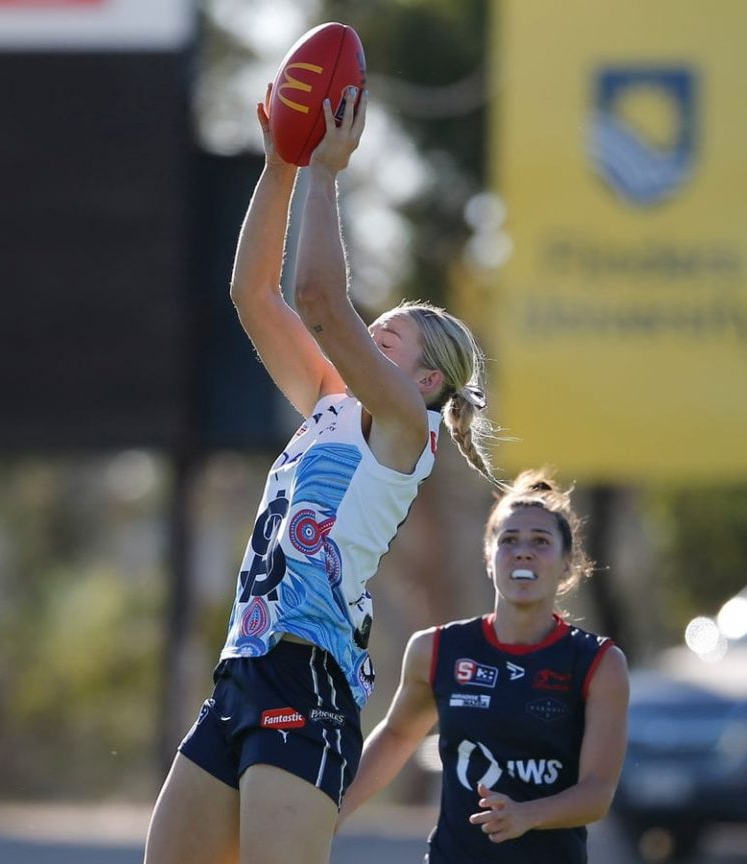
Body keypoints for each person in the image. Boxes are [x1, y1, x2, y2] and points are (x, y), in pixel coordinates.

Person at [143, 81, 498, 864]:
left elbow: (317, 299)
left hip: (308, 681)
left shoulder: (406, 426)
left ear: (429, 380)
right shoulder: (332, 405)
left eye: (393, 336)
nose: (374, 333)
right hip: (242, 670)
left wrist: (326, 170)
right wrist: (279, 164)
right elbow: (254, 295)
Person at [338, 470, 630, 863]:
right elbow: (396, 738)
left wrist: (528, 815)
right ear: (489, 558)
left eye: (540, 542)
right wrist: (330, 815)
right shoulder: (436, 649)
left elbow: (597, 793)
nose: (523, 551)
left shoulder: (599, 663)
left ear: (567, 564)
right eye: (509, 540)